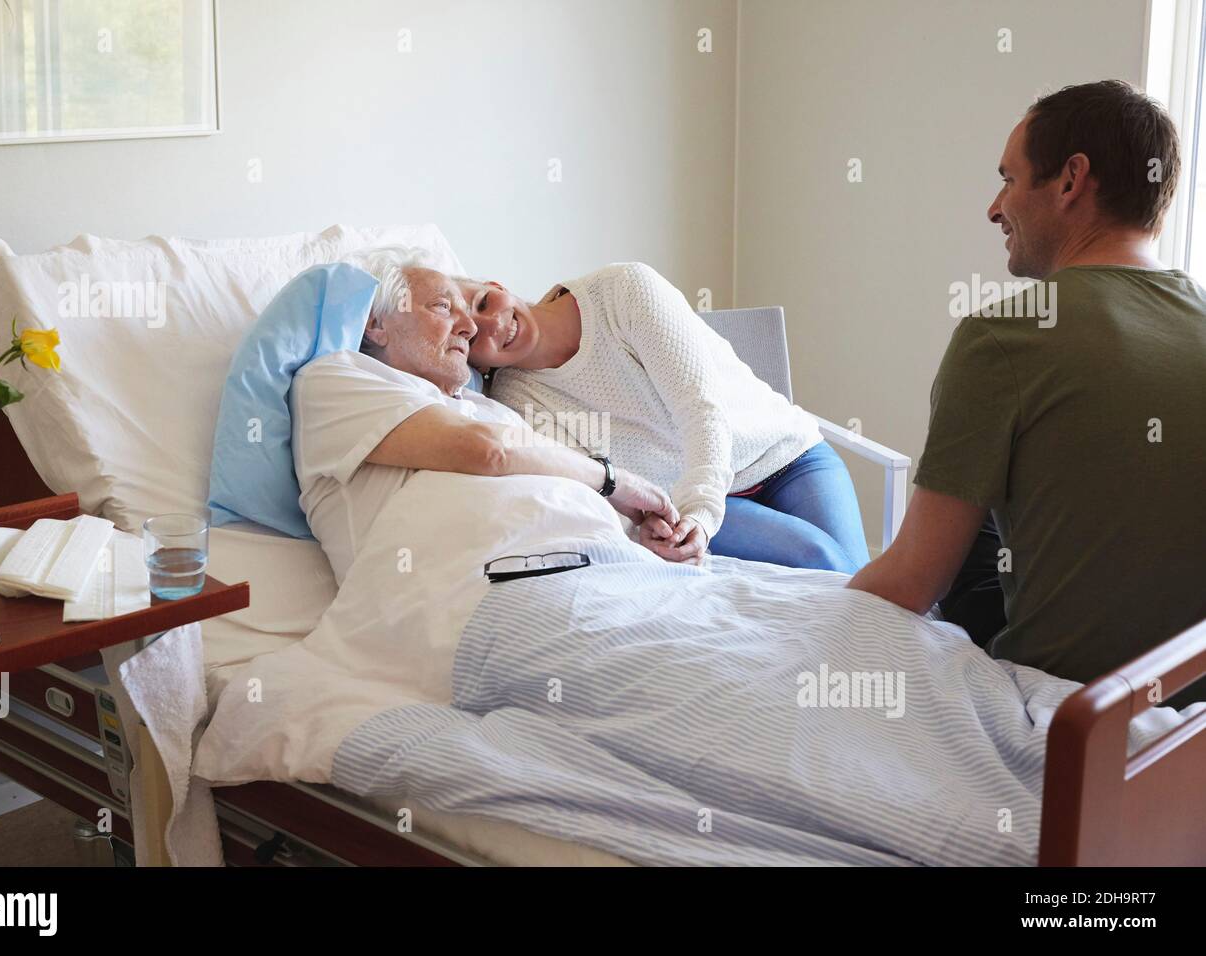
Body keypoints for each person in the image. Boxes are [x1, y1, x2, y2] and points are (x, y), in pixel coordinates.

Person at [848, 80, 1206, 701]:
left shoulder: (1003, 338)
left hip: (1073, 707)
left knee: (972, 516)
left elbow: (911, 583)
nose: (994, 207)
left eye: (1008, 179)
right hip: (1188, 702)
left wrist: (806, 623)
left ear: (1071, 180)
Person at [289, 247, 678, 582]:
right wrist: (614, 481)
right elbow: (487, 451)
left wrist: (642, 534)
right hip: (484, 591)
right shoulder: (337, 379)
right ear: (377, 323)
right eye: (443, 307)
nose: (469, 326)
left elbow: (552, 482)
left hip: (613, 568)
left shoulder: (490, 409)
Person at [460, 263, 870, 572]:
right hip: (690, 500)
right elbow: (604, 478)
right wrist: (651, 524)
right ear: (472, 361)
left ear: (496, 286)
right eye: (475, 337)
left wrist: (702, 514)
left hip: (787, 456)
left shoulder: (624, 290)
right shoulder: (517, 400)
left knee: (878, 594)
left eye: (484, 303)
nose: (495, 323)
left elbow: (702, 410)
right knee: (823, 563)